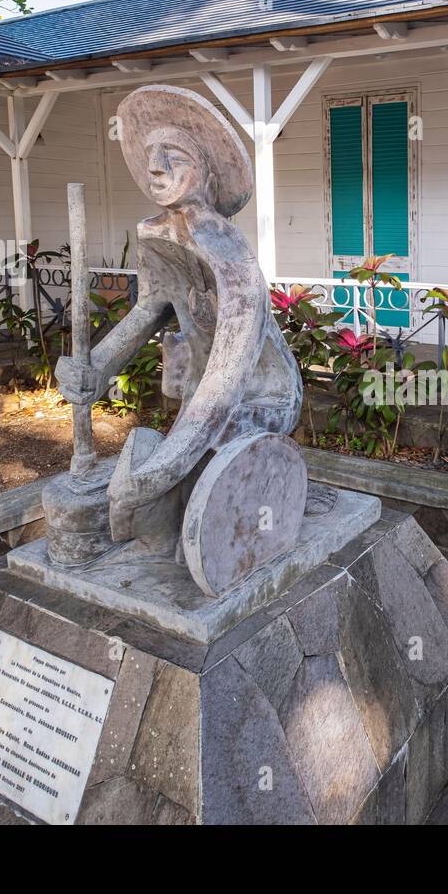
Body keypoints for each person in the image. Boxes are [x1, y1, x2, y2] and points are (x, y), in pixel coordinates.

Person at [54, 85, 301, 548]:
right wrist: (97, 365)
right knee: (154, 507)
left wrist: (164, 465)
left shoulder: (230, 254)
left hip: (258, 396)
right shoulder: (154, 234)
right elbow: (150, 308)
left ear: (206, 170)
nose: (155, 168)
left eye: (173, 156)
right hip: (200, 394)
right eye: (151, 155)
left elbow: (228, 376)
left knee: (176, 477)